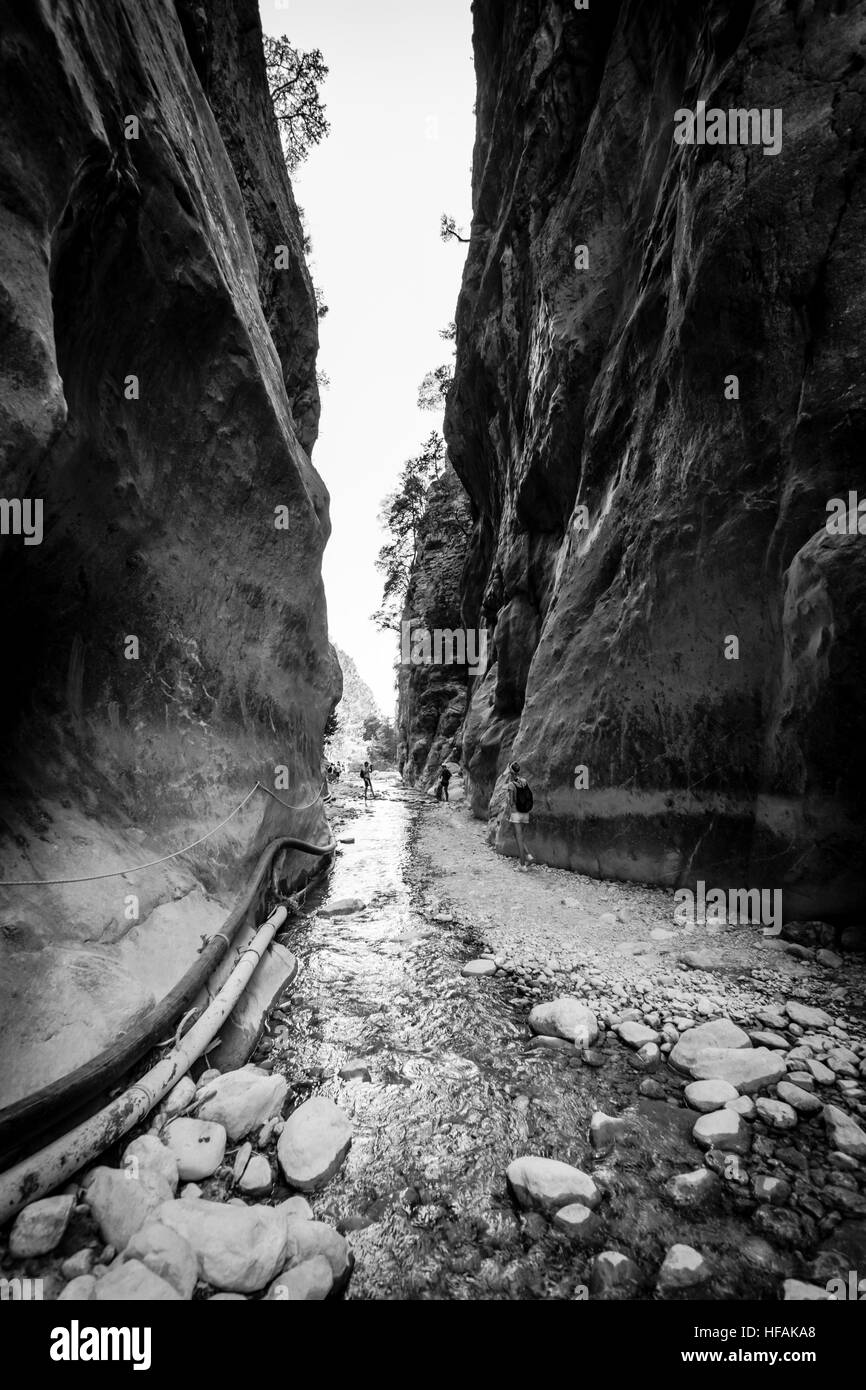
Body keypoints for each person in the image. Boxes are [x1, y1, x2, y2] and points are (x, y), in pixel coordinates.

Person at [505, 761, 534, 869]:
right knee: (520, 837)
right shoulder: (525, 781)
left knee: (519, 839)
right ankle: (528, 856)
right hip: (525, 813)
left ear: (511, 772)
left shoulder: (511, 785)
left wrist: (509, 808)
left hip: (516, 813)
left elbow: (511, 802)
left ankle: (522, 865)